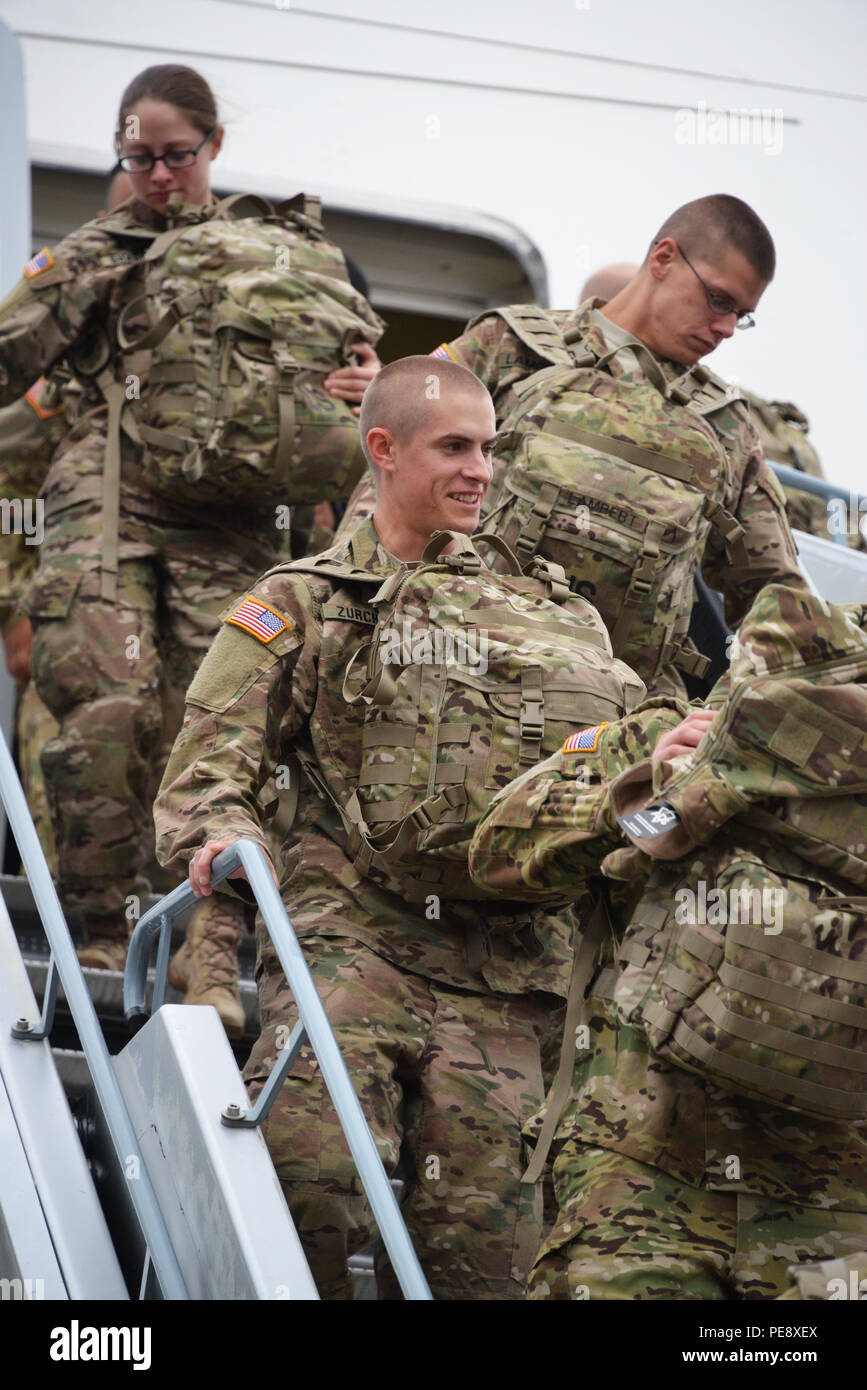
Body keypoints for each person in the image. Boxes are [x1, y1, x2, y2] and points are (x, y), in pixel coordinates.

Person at [152, 354, 644, 1299]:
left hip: (509, 977)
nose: (480, 471)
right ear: (382, 450)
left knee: (489, 1260)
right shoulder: (299, 599)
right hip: (352, 942)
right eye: (453, 447)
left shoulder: (547, 611)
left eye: (489, 450)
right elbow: (209, 768)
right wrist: (223, 835)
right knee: (309, 1179)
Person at [0, 64, 382, 1020]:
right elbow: (10, 356)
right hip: (110, 499)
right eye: (139, 159)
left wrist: (362, 385)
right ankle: (97, 932)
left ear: (215, 146)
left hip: (236, 520)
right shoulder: (103, 248)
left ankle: (193, 954)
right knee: (108, 709)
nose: (158, 176)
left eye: (176, 156)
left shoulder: (283, 249)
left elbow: (353, 374)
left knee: (215, 738)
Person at [468, 584, 867, 1300]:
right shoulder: (676, 732)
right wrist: (641, 789)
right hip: (641, 1175)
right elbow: (497, 849)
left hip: (833, 1212)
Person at [430, 195, 806, 697]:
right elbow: (390, 486)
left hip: (613, 740)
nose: (726, 329)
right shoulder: (513, 346)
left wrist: (714, 720)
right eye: (719, 300)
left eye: (742, 315)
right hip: (458, 692)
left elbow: (775, 600)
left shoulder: (726, 427)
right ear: (664, 258)